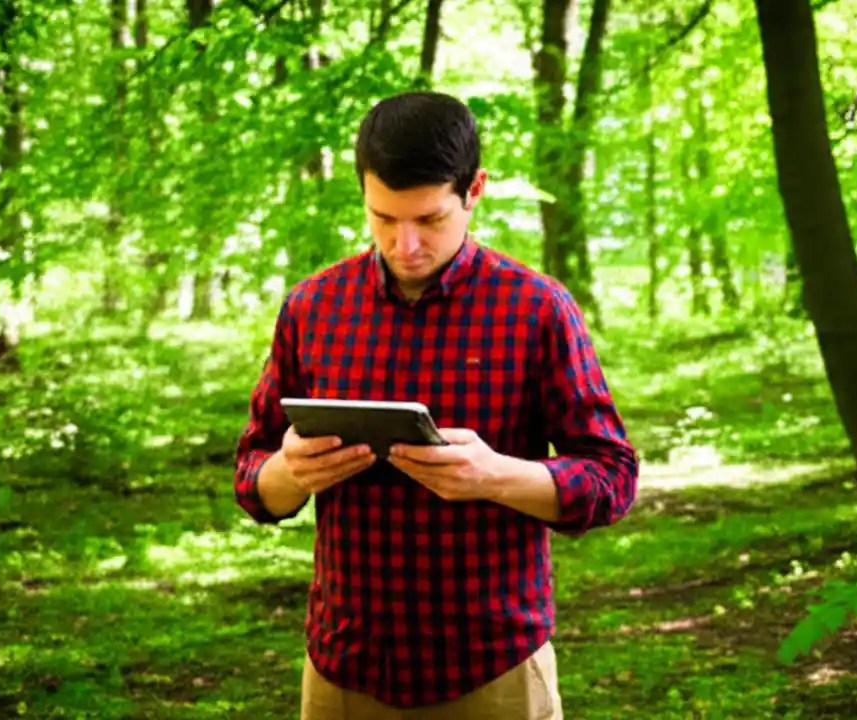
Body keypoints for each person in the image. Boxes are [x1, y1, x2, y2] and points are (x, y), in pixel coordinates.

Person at [234, 91, 639, 720]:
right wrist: (289, 473)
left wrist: (497, 477)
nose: (406, 244)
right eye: (383, 218)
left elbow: (611, 479)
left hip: (495, 669)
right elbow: (252, 480)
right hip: (345, 670)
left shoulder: (536, 308)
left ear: (474, 189)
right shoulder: (312, 308)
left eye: (429, 219)